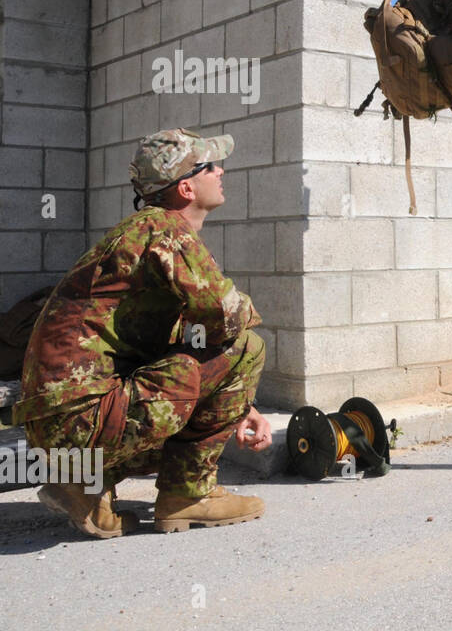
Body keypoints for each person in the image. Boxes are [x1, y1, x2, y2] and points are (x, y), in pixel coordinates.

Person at [12, 128, 271, 538]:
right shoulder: (166, 231)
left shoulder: (138, 232)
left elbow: (170, 343)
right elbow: (226, 316)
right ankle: (188, 494)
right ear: (186, 187)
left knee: (197, 349)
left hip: (59, 425)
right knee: (247, 347)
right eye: (210, 166)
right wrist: (231, 384)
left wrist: (239, 406)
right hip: (84, 419)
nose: (220, 171)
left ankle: (88, 487)